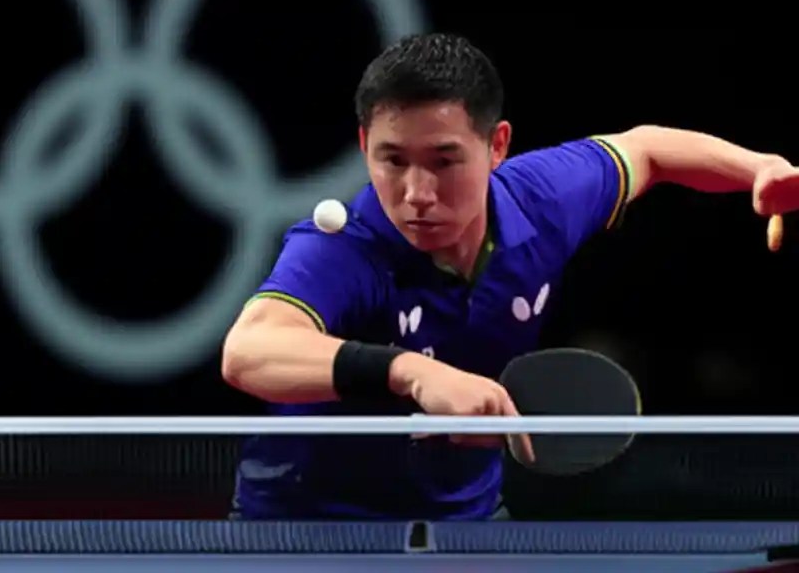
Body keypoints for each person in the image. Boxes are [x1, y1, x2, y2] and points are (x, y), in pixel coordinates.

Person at [221, 32, 799, 521]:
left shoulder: (543, 202)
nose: (417, 193)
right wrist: (410, 373)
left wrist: (759, 168)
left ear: (496, 146)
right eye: (393, 160)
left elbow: (647, 150)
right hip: (305, 529)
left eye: (444, 161)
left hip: (465, 525)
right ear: (364, 145)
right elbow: (249, 351)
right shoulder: (345, 248)